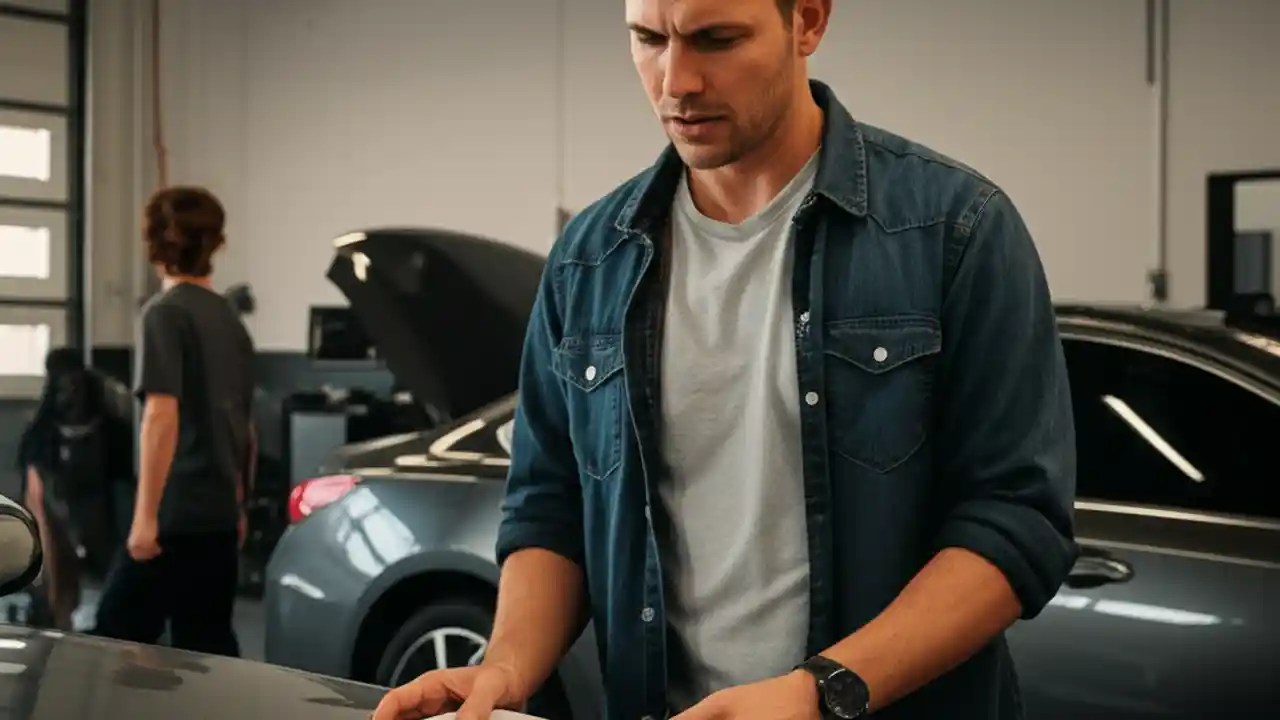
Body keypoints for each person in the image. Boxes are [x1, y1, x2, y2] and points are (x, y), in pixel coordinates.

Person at [375, 0, 1077, 718]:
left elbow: (1017, 522)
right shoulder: (590, 261)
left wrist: (820, 694)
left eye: (715, 39)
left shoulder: (953, 231)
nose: (676, 81)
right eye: (649, 38)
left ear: (807, 21)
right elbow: (550, 508)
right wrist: (506, 665)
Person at [92, 185, 257, 658]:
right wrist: (240, 504)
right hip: (219, 516)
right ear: (216, 244)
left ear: (154, 246)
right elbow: (244, 423)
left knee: (112, 643)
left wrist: (145, 519)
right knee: (206, 651)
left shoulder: (163, 314)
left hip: (174, 515)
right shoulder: (230, 319)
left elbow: (161, 418)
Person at [16, 348, 134, 629]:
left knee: (58, 554)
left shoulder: (45, 424)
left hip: (78, 504)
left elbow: (35, 491)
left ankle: (60, 609)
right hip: (91, 505)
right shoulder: (102, 413)